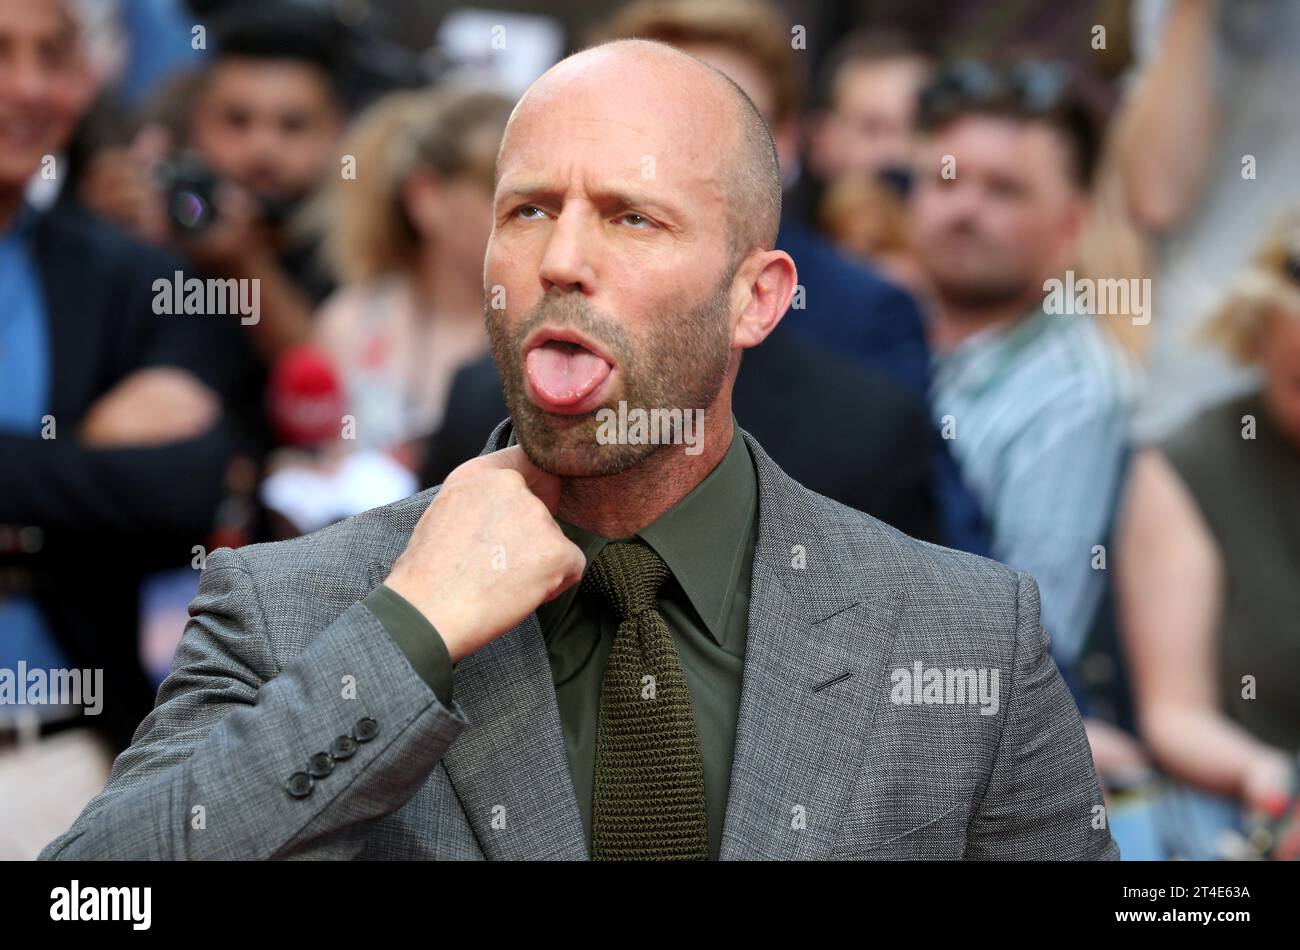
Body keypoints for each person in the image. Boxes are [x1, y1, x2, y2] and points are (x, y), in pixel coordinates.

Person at [41, 39, 1116, 862]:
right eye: (528, 210)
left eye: (630, 218)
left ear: (757, 297)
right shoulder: (292, 607)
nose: (560, 257)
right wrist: (408, 632)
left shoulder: (965, 631)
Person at [0, 0, 234, 859]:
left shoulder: (127, 273)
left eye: (51, 54)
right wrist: (78, 460)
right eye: (0, 52)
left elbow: (184, 487)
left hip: (70, 761)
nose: (27, 86)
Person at [913, 59, 1140, 673]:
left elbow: (1030, 640)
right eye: (946, 179)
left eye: (1004, 190)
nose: (965, 208)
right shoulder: (878, 332)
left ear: (1069, 227)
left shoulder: (1080, 394)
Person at [1114, 209, 1300, 856]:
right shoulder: (1190, 465)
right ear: (1257, 337)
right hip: (1255, 814)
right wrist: (1272, 782)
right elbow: (1175, 714)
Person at [260, 86, 514, 535]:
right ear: (427, 198)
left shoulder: (541, 327)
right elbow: (314, 465)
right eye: (503, 195)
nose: (534, 217)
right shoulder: (349, 323)